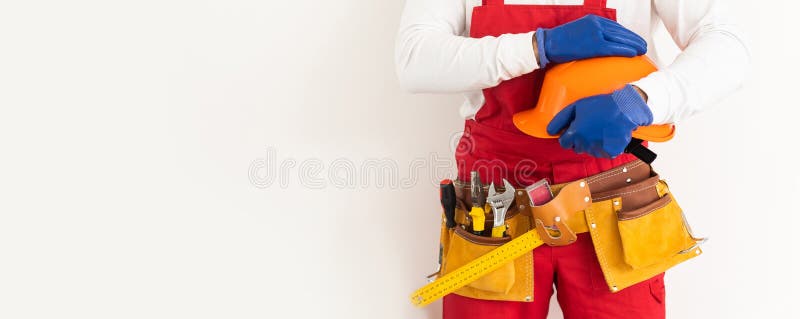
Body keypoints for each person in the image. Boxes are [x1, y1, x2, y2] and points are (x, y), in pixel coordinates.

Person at [395, 0, 749, 318]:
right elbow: (415, 58)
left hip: (612, 201)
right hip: (494, 204)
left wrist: (639, 101)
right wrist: (539, 47)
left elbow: (725, 42)